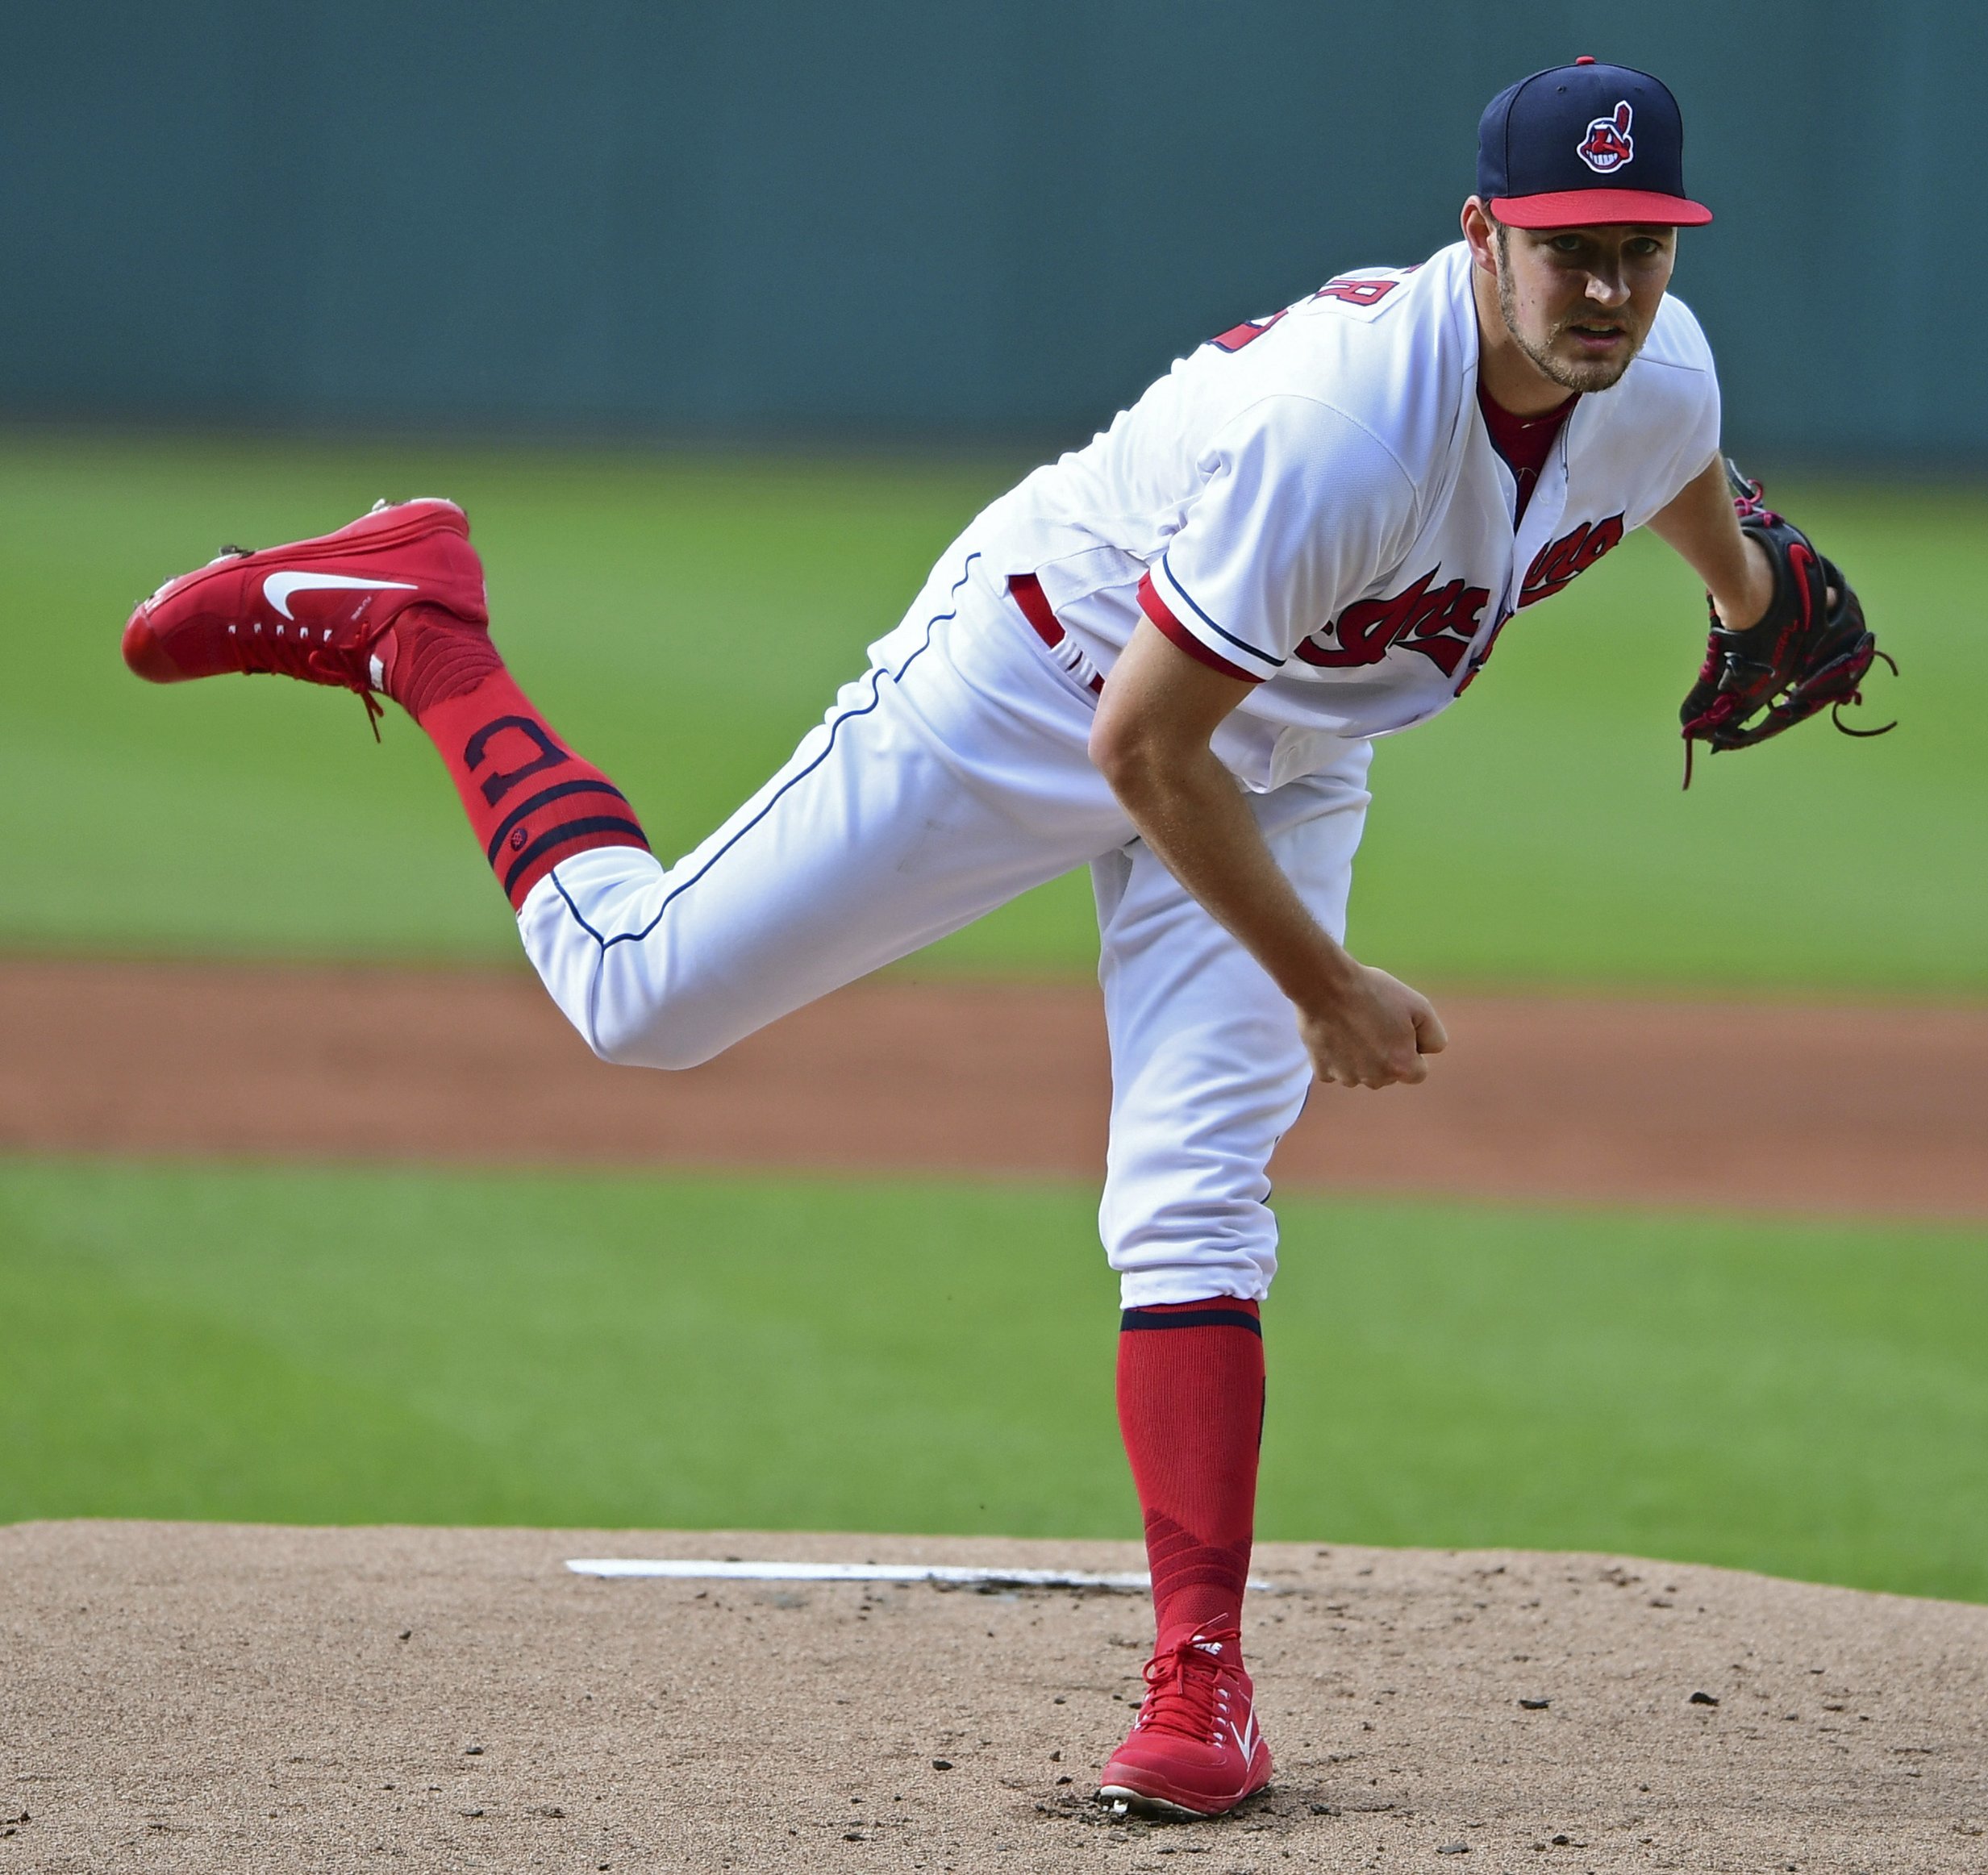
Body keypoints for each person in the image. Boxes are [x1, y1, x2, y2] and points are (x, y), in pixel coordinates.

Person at [120, 58, 1873, 1821]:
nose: (1606, 285)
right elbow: (1142, 747)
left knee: (1196, 1188)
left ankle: (1202, 1686)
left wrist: (1749, 591)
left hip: (1284, 734)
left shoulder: (1662, 365)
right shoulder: (1344, 427)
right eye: (1568, 246)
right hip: (1043, 684)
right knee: (636, 994)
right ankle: (418, 622)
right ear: (1482, 235)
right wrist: (1321, 983)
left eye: (1640, 245)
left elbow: (1679, 469)